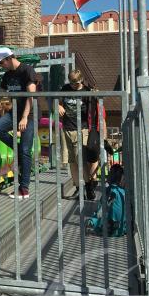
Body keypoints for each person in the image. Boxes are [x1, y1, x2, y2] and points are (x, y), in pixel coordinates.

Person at [0, 47, 38, 200]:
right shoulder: (7, 75)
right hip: (15, 113)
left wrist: (24, 117)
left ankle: (24, 188)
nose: (1, 66)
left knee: (25, 150)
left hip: (29, 114)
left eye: (1, 63)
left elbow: (31, 96)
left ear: (8, 58)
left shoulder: (27, 70)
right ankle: (19, 150)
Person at [58, 69, 96, 200]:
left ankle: (88, 187)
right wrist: (58, 106)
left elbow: (94, 109)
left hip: (81, 129)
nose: (74, 86)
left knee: (81, 161)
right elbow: (56, 100)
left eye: (76, 83)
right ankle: (78, 189)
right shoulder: (65, 89)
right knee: (72, 162)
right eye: (72, 83)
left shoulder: (86, 91)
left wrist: (95, 95)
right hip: (67, 128)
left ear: (81, 80)